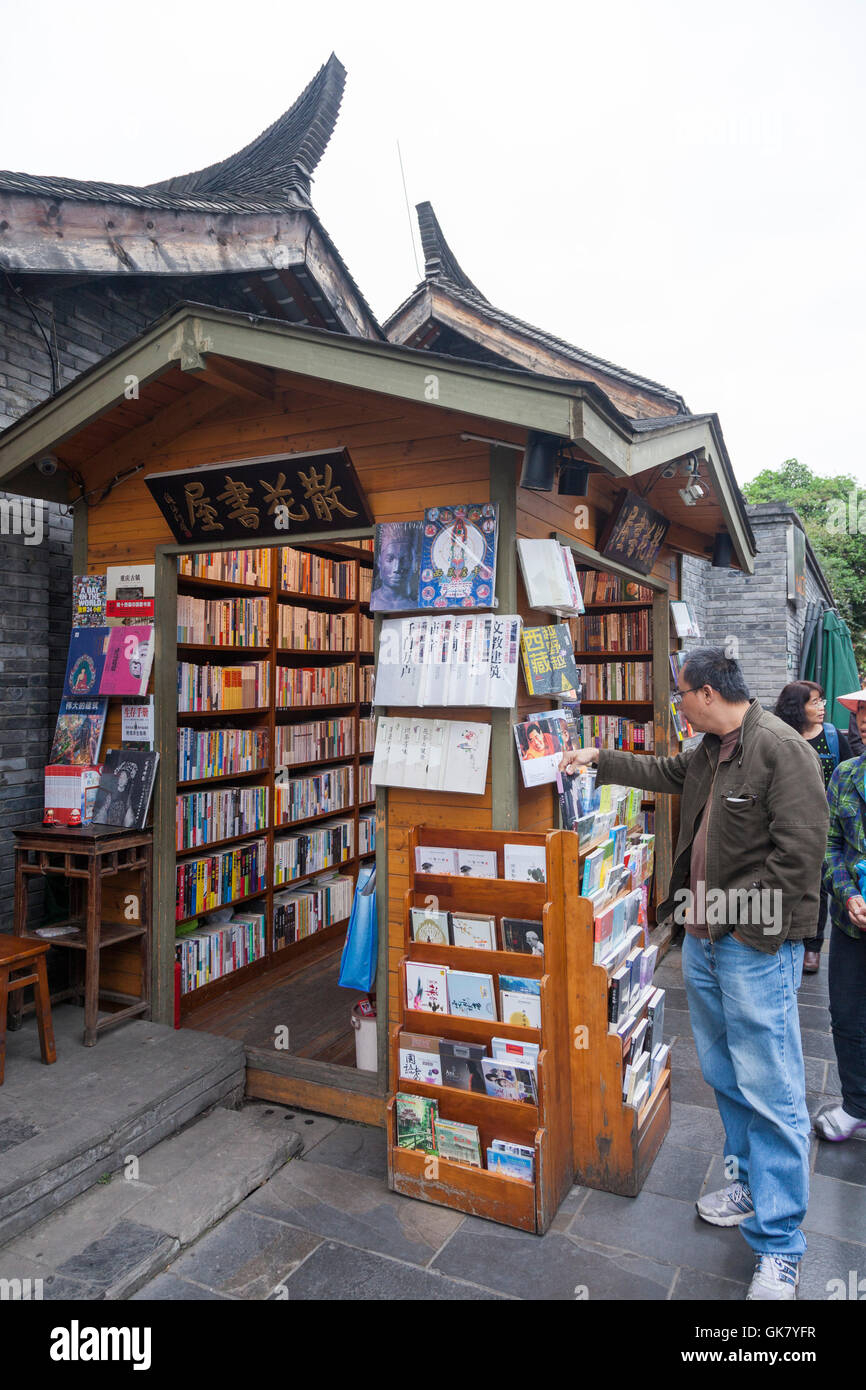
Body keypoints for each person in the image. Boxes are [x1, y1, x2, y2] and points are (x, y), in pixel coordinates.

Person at [560, 648, 828, 1301]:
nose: (676, 704)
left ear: (706, 692)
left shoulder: (781, 751)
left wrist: (734, 925)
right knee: (728, 1078)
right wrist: (599, 758)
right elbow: (665, 770)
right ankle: (748, 1182)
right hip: (704, 943)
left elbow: (799, 861)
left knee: (774, 1089)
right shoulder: (710, 748)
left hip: (752, 947)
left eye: (680, 694)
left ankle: (781, 1247)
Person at [815, 687, 866, 1142]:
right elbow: (830, 846)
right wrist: (848, 893)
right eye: (861, 710)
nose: (863, 719)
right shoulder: (847, 776)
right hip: (851, 924)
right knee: (847, 1015)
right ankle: (857, 1104)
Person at [772, 681, 851, 973]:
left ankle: (813, 945)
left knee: (817, 885)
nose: (822, 707)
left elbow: (849, 775)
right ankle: (780, 932)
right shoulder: (780, 737)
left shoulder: (831, 736)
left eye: (822, 701)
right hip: (784, 822)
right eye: (814, 702)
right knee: (783, 879)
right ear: (797, 707)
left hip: (823, 824)